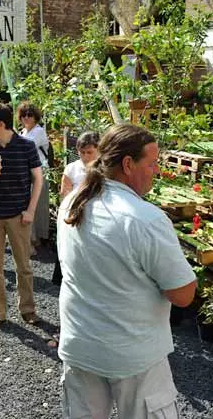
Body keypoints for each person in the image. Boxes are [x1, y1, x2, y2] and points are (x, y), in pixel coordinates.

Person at [57, 123, 197, 418]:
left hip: (80, 344)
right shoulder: (145, 219)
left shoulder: (73, 203)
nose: (157, 170)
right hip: (132, 353)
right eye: (153, 163)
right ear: (128, 164)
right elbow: (183, 295)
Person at [0, 103, 43, 332]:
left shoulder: (26, 146)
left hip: (18, 215)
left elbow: (38, 179)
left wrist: (31, 210)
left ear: (1, 124)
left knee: (23, 265)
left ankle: (28, 309)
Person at [17, 101, 50, 248]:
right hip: (26, 172)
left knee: (38, 204)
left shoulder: (38, 131)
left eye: (30, 115)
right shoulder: (23, 131)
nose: (26, 117)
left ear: (36, 117)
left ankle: (39, 236)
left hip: (39, 172)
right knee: (29, 204)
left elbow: (24, 146)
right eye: (23, 115)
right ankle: (32, 236)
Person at [60, 131, 99, 197]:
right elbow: (65, 195)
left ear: (98, 150)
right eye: (82, 152)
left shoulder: (106, 168)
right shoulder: (71, 169)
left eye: (89, 152)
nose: (85, 156)